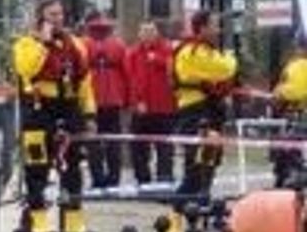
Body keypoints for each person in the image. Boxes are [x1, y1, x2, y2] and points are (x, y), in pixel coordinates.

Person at [11, 0, 95, 232]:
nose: (58, 19)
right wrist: (43, 43)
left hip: (68, 108)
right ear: (41, 18)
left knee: (72, 167)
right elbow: (27, 69)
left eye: (60, 14)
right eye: (52, 15)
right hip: (38, 111)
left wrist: (89, 114)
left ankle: (73, 221)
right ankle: (38, 220)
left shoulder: (75, 44)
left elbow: (85, 82)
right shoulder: (25, 44)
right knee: (36, 167)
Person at [171, 10, 238, 200]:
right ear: (202, 28)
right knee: (197, 159)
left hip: (210, 108)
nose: (218, 30)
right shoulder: (193, 51)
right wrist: (230, 58)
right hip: (196, 108)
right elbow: (225, 69)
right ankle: (184, 203)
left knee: (210, 155)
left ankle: (201, 195)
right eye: (214, 25)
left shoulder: (208, 50)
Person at [124, 20, 177, 185]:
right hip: (141, 108)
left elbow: (173, 70)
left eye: (151, 31)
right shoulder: (133, 53)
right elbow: (130, 79)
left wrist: (157, 60)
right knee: (139, 147)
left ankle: (164, 178)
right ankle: (142, 179)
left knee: (165, 147)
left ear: (157, 33)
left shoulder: (167, 50)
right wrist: (137, 101)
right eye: (144, 31)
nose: (148, 35)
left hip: (164, 107)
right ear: (139, 34)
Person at [83, 12, 129, 188]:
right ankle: (114, 179)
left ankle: (98, 179)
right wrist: (126, 99)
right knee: (113, 141)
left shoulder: (83, 44)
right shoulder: (118, 44)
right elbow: (126, 73)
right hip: (113, 98)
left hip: (91, 99)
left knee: (93, 141)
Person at [273, 41, 307, 188]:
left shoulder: (295, 67)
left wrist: (280, 93)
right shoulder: (294, 66)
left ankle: (290, 177)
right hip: (297, 115)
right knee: (287, 144)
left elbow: (294, 91)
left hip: (299, 116)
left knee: (288, 144)